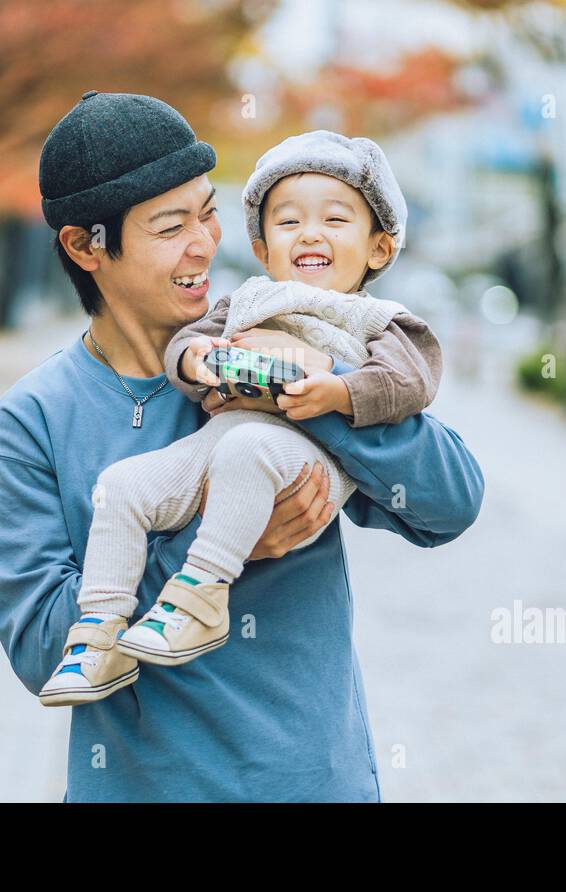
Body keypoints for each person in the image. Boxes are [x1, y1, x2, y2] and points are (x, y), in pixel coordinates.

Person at [0, 91, 485, 802]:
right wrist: (228, 545)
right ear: (85, 246)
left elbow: (451, 503)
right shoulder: (35, 419)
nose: (204, 244)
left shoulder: (291, 341)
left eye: (208, 213)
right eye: (170, 225)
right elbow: (39, 650)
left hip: (313, 784)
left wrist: (316, 386)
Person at [38, 130, 447, 705]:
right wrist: (196, 360)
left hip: (307, 462)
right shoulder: (247, 301)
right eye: (288, 222)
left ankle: (202, 596)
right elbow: (186, 346)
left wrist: (335, 388)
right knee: (121, 486)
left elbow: (412, 382)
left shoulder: (380, 319)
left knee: (246, 452)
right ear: (262, 250)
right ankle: (99, 633)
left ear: (380, 248)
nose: (310, 233)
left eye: (335, 220)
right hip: (229, 437)